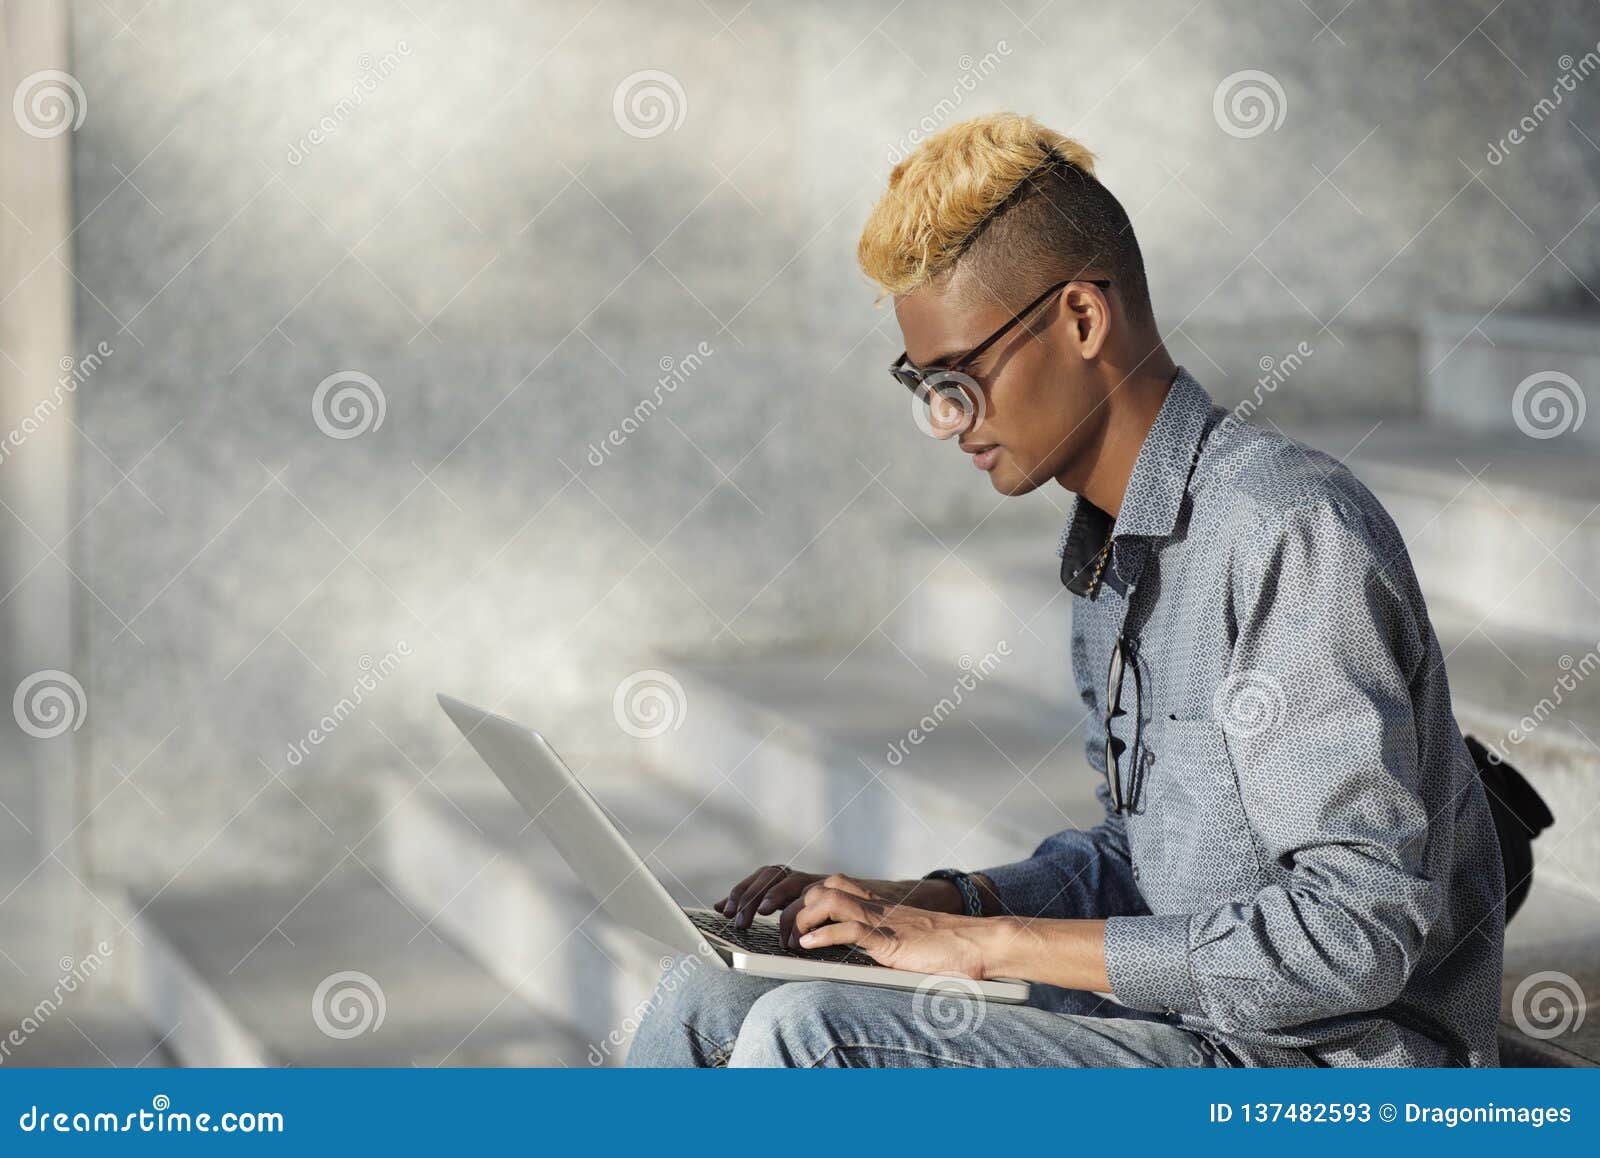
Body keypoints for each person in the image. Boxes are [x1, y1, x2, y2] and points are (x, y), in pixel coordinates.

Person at [627, 111, 1504, 1068]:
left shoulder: (1287, 529)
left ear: (1083, 318)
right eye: (922, 381)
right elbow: (1148, 867)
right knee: (704, 998)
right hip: (1188, 1035)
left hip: (1330, 1076)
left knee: (808, 1034)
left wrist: (987, 946)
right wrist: (935, 905)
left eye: (960, 374)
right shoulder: (1109, 558)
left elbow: (1355, 937)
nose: (943, 418)